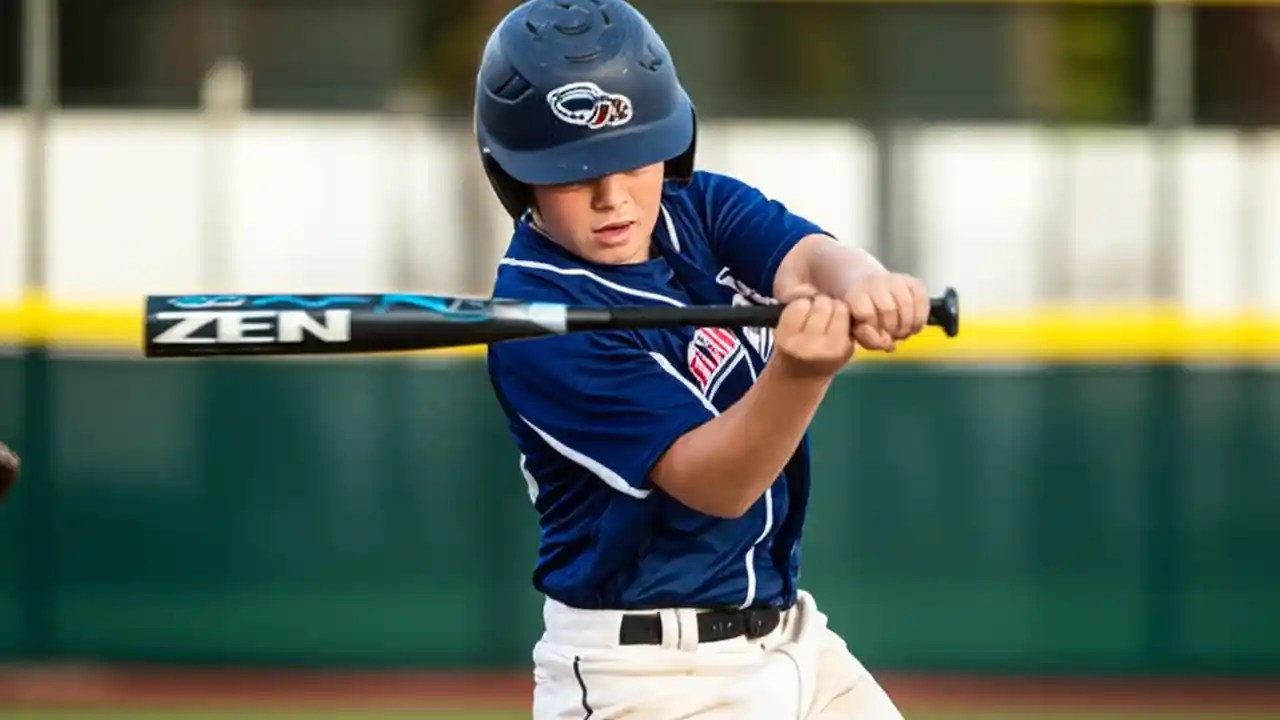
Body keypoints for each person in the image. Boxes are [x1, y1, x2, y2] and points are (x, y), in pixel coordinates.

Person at [476, 2, 927, 717]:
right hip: (650, 678)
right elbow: (717, 483)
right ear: (515, 177)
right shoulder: (539, 324)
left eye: (632, 156)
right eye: (570, 172)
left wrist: (864, 281)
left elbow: (807, 261)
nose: (611, 195)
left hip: (791, 637)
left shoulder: (696, 210)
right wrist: (800, 374)